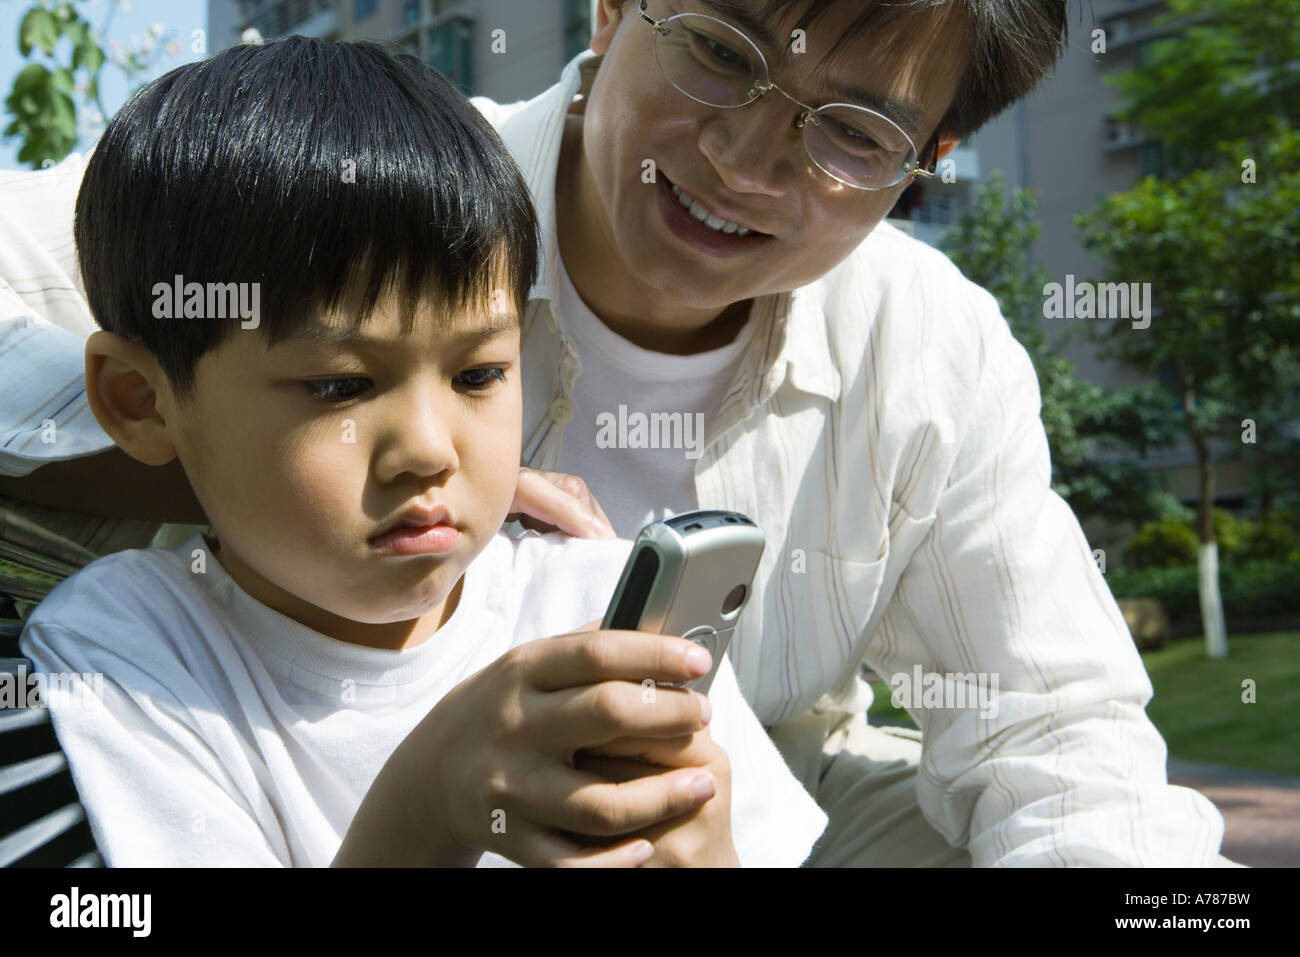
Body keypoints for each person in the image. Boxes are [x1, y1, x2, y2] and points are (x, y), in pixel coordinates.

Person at [0, 0, 1235, 866]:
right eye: (718, 49)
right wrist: (212, 458)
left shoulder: (934, 347)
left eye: (854, 133)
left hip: (771, 797)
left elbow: (1050, 734)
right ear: (612, 7)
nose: (751, 160)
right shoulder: (356, 194)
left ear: (925, 164)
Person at [14, 37, 830, 868]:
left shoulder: (599, 606)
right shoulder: (133, 652)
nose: (429, 450)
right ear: (139, 400)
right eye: (340, 387)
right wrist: (427, 803)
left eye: (478, 373)